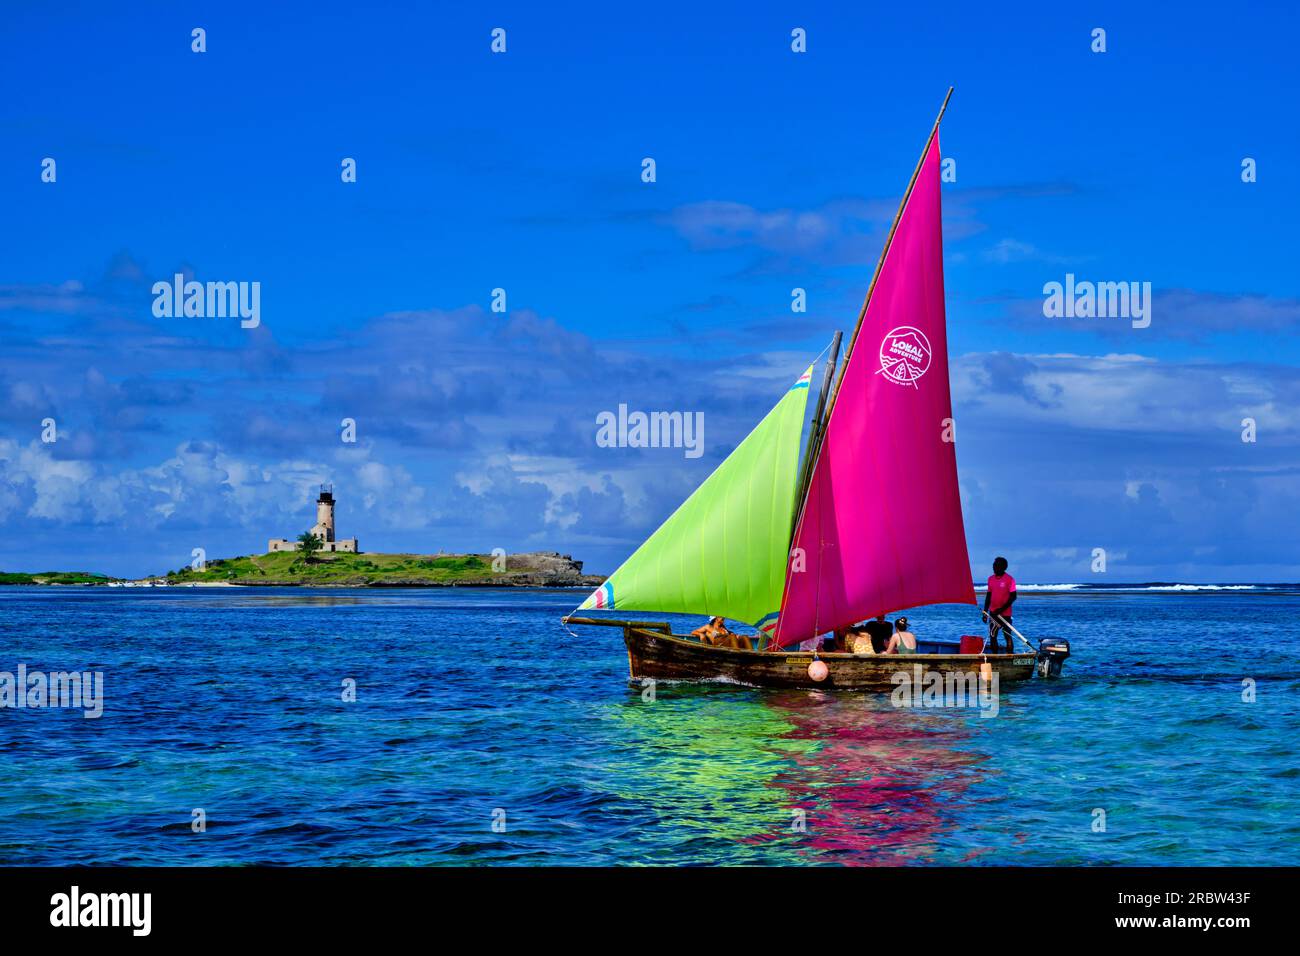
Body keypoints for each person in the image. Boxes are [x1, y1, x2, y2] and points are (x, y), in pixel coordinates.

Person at [983, 556, 1017, 653]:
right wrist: (985, 612)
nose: (994, 568)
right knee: (993, 636)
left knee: (1008, 636)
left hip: (1005, 615)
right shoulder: (990, 579)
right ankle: (995, 657)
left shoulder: (1010, 579)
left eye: (996, 566)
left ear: (1003, 567)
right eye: (993, 566)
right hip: (993, 614)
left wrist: (1001, 609)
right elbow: (988, 596)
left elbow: (1013, 597)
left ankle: (1010, 658)